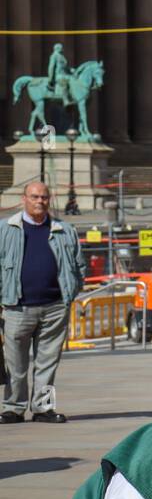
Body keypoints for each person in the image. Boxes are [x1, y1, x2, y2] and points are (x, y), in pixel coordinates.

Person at [1, 180, 86, 424]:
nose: (40, 202)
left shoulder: (63, 230)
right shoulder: (6, 229)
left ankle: (43, 408)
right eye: (35, 197)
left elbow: (79, 265)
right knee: (15, 363)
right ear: (23, 199)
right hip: (17, 306)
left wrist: (70, 292)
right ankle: (13, 408)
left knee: (48, 362)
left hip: (55, 306)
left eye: (44, 197)